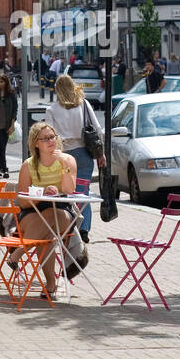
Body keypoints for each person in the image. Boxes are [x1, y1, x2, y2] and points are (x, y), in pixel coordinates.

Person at [8, 123, 86, 298]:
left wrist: (64, 164)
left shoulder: (68, 160)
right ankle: (51, 285)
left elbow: (67, 190)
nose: (51, 141)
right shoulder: (28, 165)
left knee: (52, 214)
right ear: (36, 143)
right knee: (46, 236)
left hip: (62, 210)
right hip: (33, 209)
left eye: (53, 137)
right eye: (45, 138)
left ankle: (19, 252)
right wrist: (42, 193)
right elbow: (23, 201)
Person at [45, 73, 105, 243]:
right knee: (82, 193)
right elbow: (98, 129)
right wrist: (101, 154)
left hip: (63, 155)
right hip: (85, 152)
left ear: (57, 90)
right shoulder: (84, 105)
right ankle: (84, 228)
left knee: (66, 192)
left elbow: (50, 136)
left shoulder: (52, 110)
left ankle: (70, 227)